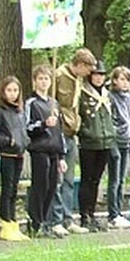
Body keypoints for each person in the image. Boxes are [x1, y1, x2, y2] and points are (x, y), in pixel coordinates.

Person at [53, 47, 97, 234]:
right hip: (59, 132)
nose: (89, 74)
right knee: (58, 178)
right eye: (87, 69)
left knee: (69, 179)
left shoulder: (78, 80)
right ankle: (55, 219)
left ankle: (67, 218)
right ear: (79, 65)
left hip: (72, 132)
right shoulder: (59, 76)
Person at [26, 65, 67, 237]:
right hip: (40, 149)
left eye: (46, 79)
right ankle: (36, 222)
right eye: (40, 79)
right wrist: (43, 125)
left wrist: (62, 155)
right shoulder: (32, 103)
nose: (44, 82)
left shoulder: (53, 103)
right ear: (35, 81)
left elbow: (60, 131)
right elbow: (28, 127)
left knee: (52, 187)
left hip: (53, 151)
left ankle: (47, 221)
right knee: (40, 186)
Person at [77, 61, 116, 233]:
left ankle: (92, 213)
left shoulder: (107, 95)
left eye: (101, 75)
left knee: (96, 180)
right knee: (87, 179)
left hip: (105, 140)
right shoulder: (83, 93)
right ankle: (84, 215)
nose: (99, 78)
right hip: (89, 141)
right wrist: (84, 132)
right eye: (96, 74)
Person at [0, 76, 29, 241]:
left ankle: (14, 222)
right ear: (3, 91)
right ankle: (5, 223)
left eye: (15, 90)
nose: (12, 94)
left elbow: (22, 129)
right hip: (7, 154)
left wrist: (23, 141)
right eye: (9, 90)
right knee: (7, 189)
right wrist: (10, 141)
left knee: (14, 189)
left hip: (19, 153)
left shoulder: (19, 111)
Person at [107, 65, 130, 229]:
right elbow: (113, 120)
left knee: (122, 179)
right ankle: (113, 213)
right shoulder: (111, 97)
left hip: (127, 140)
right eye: (122, 79)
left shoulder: (129, 98)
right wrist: (121, 130)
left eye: (127, 80)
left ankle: (119, 211)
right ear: (115, 80)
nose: (125, 83)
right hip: (116, 140)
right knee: (114, 178)